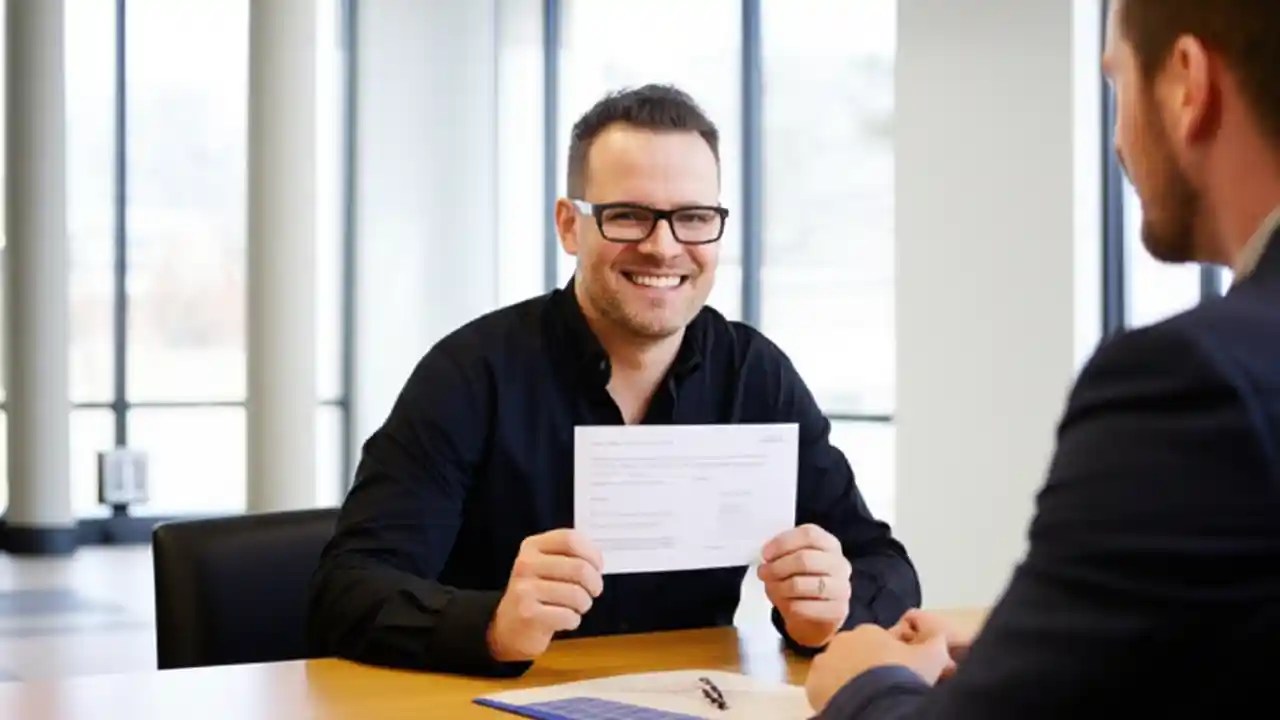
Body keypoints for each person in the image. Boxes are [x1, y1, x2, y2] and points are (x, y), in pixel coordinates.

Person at [307, 84, 920, 677]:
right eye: (628, 216)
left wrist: (830, 612)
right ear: (569, 225)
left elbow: (886, 567)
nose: (663, 247)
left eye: (693, 217)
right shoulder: (470, 374)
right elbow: (347, 591)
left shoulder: (753, 375)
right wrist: (491, 624)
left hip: (696, 702)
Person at [806, 1, 1280, 717]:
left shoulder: (1195, 380)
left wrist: (866, 684)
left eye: (1118, 85)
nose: (1118, 142)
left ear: (1188, 84)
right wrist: (1026, 651)